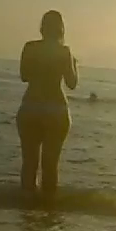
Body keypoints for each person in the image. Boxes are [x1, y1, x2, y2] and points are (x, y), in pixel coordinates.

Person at [18, 10, 79, 199]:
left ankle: (27, 210)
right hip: (55, 110)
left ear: (42, 27)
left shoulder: (30, 47)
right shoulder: (64, 52)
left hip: (31, 107)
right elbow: (72, 83)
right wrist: (73, 65)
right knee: (50, 165)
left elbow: (24, 76)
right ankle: (47, 212)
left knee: (29, 163)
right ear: (61, 28)